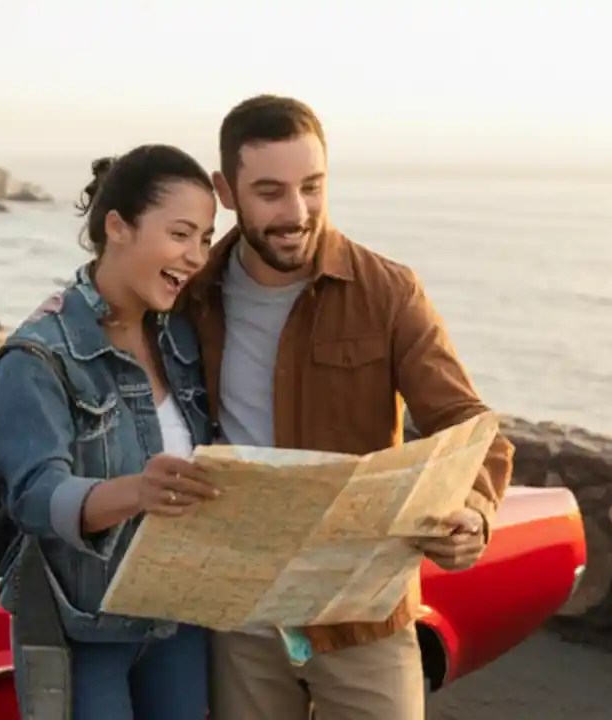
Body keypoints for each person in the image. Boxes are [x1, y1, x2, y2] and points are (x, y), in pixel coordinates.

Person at [180, 94, 516, 719]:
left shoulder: (388, 291)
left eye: (312, 186)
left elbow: (470, 428)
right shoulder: (190, 295)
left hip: (363, 611)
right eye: (271, 191)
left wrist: (472, 509)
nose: (298, 212)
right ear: (226, 190)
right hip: (239, 610)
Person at [0, 144, 222, 719]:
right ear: (118, 227)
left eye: (206, 240)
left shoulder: (185, 337)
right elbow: (35, 497)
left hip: (180, 619)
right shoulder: (38, 356)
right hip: (83, 629)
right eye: (181, 234)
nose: (195, 258)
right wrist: (138, 491)